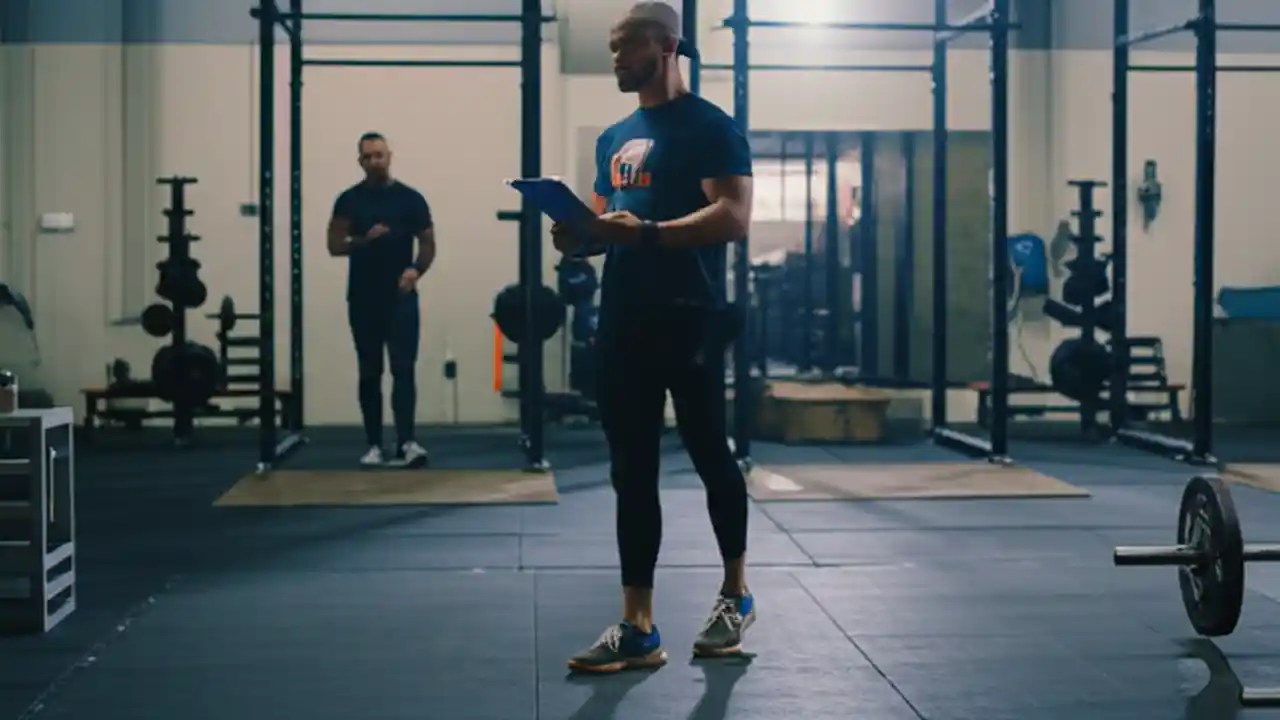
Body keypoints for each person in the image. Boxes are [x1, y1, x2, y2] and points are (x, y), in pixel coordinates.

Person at [553, 2, 756, 674]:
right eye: (611, 48)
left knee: (708, 452)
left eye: (623, 45)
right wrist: (582, 237)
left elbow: (731, 215)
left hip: (691, 315)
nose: (614, 57)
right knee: (630, 470)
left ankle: (735, 593)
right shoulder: (614, 138)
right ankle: (637, 625)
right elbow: (612, 221)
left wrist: (637, 233)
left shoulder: (711, 127)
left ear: (666, 45)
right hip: (626, 319)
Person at [326, 132, 434, 468]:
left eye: (380, 155)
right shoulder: (349, 201)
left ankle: (407, 443)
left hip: (400, 297)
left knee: (403, 370)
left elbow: (428, 243)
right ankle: (374, 444)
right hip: (363, 298)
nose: (375, 161)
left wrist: (416, 271)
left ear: (390, 156)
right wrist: (363, 239)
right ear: (360, 161)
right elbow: (334, 245)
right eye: (368, 156)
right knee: (369, 372)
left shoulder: (411, 199)